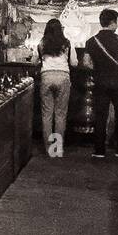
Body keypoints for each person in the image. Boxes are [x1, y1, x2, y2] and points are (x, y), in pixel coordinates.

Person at [84, 8, 118, 158]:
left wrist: (98, 68)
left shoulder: (91, 41)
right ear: (112, 23)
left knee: (100, 115)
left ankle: (99, 151)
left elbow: (86, 63)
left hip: (100, 82)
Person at [37, 18, 74, 155]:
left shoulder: (42, 43)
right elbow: (74, 62)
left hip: (46, 76)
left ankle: (48, 149)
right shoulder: (67, 43)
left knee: (46, 114)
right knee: (60, 115)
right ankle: (57, 148)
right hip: (63, 77)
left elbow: (37, 59)